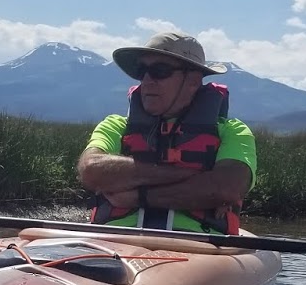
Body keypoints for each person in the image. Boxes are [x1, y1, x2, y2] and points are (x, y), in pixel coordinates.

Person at [77, 30, 256, 234]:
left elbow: (226, 187)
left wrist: (139, 196)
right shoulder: (116, 125)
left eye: (160, 71)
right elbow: (92, 170)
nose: (147, 80)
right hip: (115, 243)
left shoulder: (234, 131)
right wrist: (196, 177)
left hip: (200, 250)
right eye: (142, 71)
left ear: (193, 81)